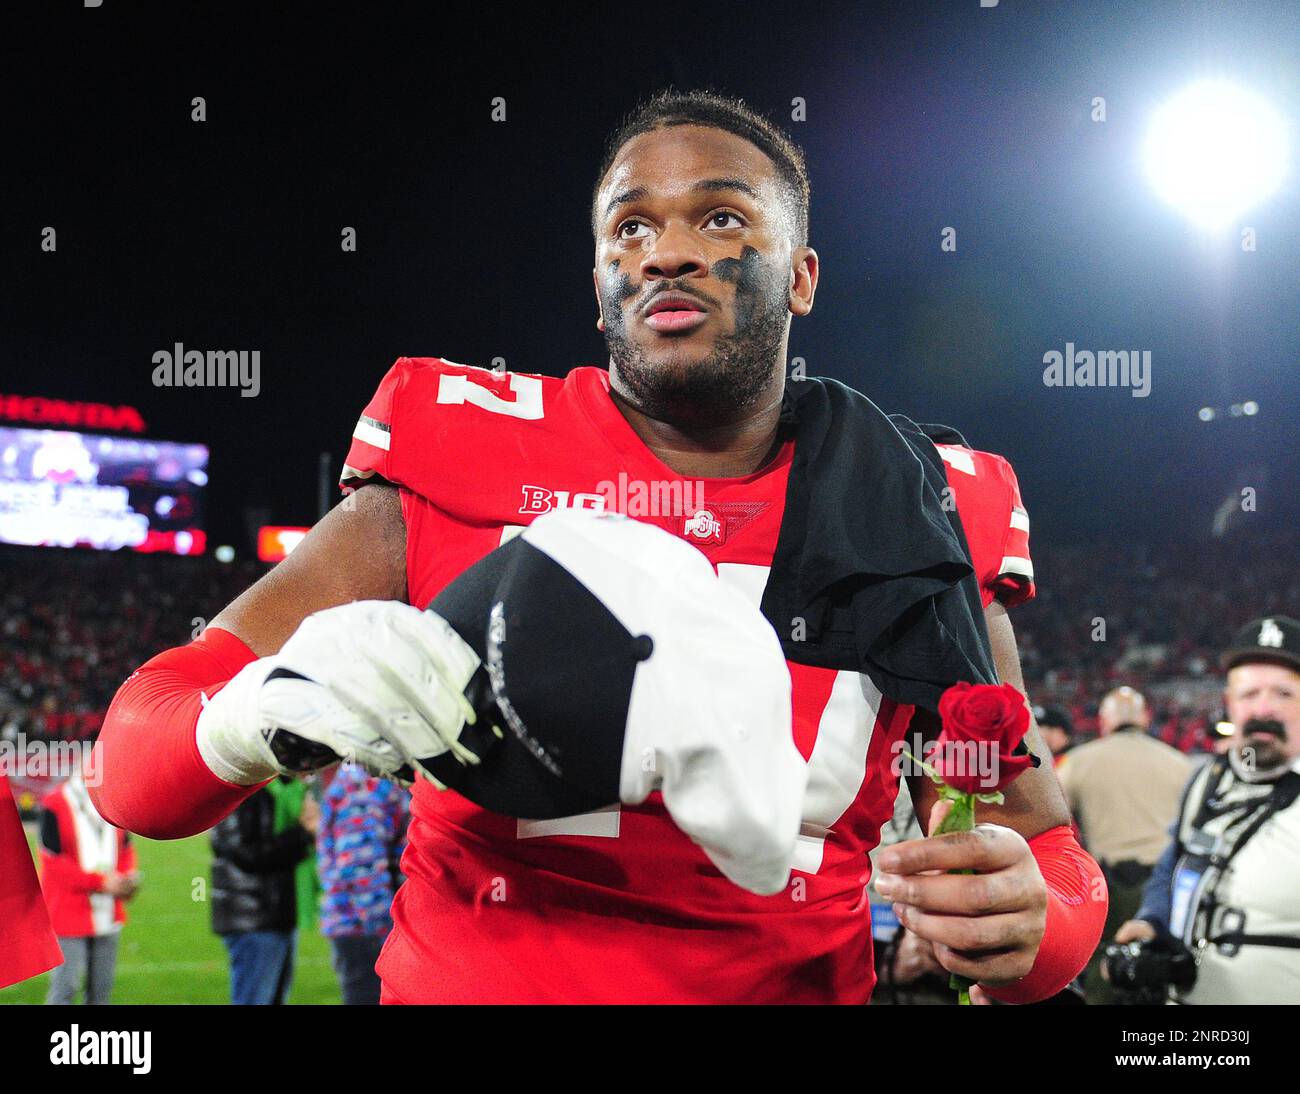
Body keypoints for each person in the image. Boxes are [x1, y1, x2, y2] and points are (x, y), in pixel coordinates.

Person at [89, 89, 1106, 1004]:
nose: (666, 252)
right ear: (599, 283)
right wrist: (259, 712)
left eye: (720, 217)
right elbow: (131, 769)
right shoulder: (459, 447)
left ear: (802, 278)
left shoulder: (917, 504)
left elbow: (1049, 856)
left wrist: (1023, 919)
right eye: (631, 226)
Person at [1114, 616, 1300, 1004]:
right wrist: (1152, 920)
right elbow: (1175, 862)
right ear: (1229, 703)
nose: (1264, 709)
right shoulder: (1206, 780)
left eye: (1284, 694)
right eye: (1249, 694)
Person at [1056, 685, 1191, 1002]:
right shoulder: (1180, 764)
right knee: (1162, 978)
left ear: (1103, 721)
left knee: (1104, 973)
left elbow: (1052, 821)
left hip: (1109, 888)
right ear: (1145, 718)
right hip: (1167, 887)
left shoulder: (1077, 762)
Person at [210, 776, 318, 1005]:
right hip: (253, 915)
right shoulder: (243, 787)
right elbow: (245, 853)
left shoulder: (280, 787)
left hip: (275, 911)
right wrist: (303, 833)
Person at [39, 764, 139, 1004]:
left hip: (107, 911)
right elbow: (53, 863)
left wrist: (126, 878)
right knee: (65, 988)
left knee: (101, 991)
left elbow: (125, 848)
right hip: (68, 911)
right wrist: (101, 882)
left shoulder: (115, 801)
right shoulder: (55, 803)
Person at [317, 764, 409, 1005]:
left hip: (362, 924)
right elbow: (361, 869)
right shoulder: (363, 786)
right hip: (364, 927)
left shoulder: (368, 780)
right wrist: (387, 932)